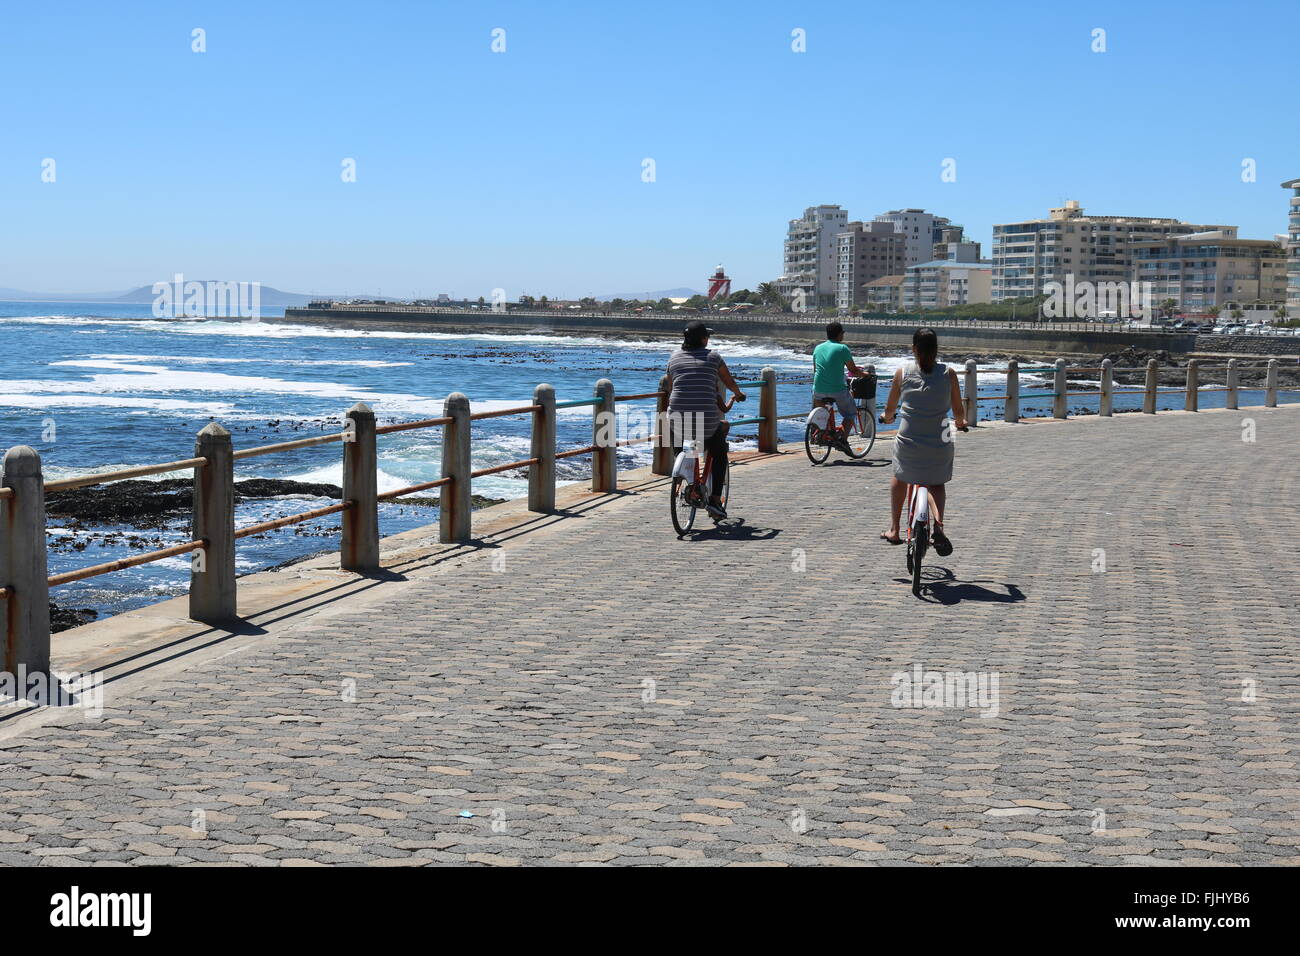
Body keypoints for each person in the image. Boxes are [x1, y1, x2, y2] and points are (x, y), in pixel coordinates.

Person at [879, 327, 966, 554]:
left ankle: (895, 530)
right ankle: (938, 527)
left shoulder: (903, 372)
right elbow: (958, 409)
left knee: (900, 477)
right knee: (936, 483)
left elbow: (890, 410)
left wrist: (886, 418)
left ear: (914, 349)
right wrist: (961, 422)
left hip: (909, 441)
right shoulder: (949, 373)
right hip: (939, 440)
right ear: (937, 349)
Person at [666, 320, 746, 519]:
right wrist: (738, 393)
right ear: (703, 339)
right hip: (706, 421)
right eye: (707, 336)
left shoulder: (674, 357)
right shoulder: (713, 357)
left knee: (685, 442)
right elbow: (727, 380)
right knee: (719, 454)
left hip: (677, 419)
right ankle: (715, 501)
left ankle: (684, 470)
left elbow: (670, 387)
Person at [811, 321, 870, 451]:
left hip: (818, 390)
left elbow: (816, 370)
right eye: (842, 333)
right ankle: (842, 440)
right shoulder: (842, 348)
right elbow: (853, 370)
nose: (843, 335)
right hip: (836, 390)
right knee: (850, 413)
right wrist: (865, 374)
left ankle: (822, 434)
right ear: (839, 334)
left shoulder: (818, 348)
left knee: (824, 412)